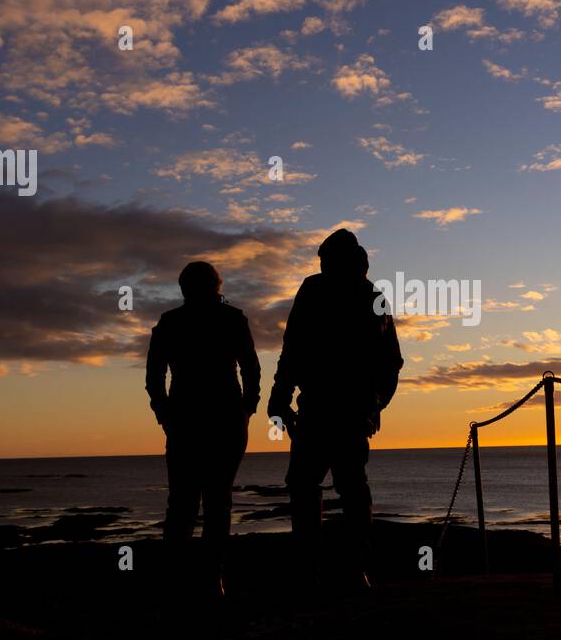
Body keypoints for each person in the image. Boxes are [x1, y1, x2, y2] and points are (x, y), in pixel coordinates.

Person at [268, 229, 403, 589]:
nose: (324, 266)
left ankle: (346, 569)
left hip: (342, 407)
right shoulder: (333, 291)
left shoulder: (361, 295)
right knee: (324, 485)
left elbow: (390, 361)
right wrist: (280, 396)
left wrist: (376, 403)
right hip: (326, 406)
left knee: (342, 487)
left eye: (328, 260)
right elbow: (293, 349)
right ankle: (328, 569)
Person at [145, 261, 260, 602]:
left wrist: (163, 410)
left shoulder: (173, 322)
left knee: (183, 502)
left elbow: (154, 376)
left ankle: (183, 580)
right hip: (216, 418)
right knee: (213, 502)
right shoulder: (228, 319)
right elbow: (251, 368)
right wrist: (248, 407)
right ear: (216, 285)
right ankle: (209, 579)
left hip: (194, 419)